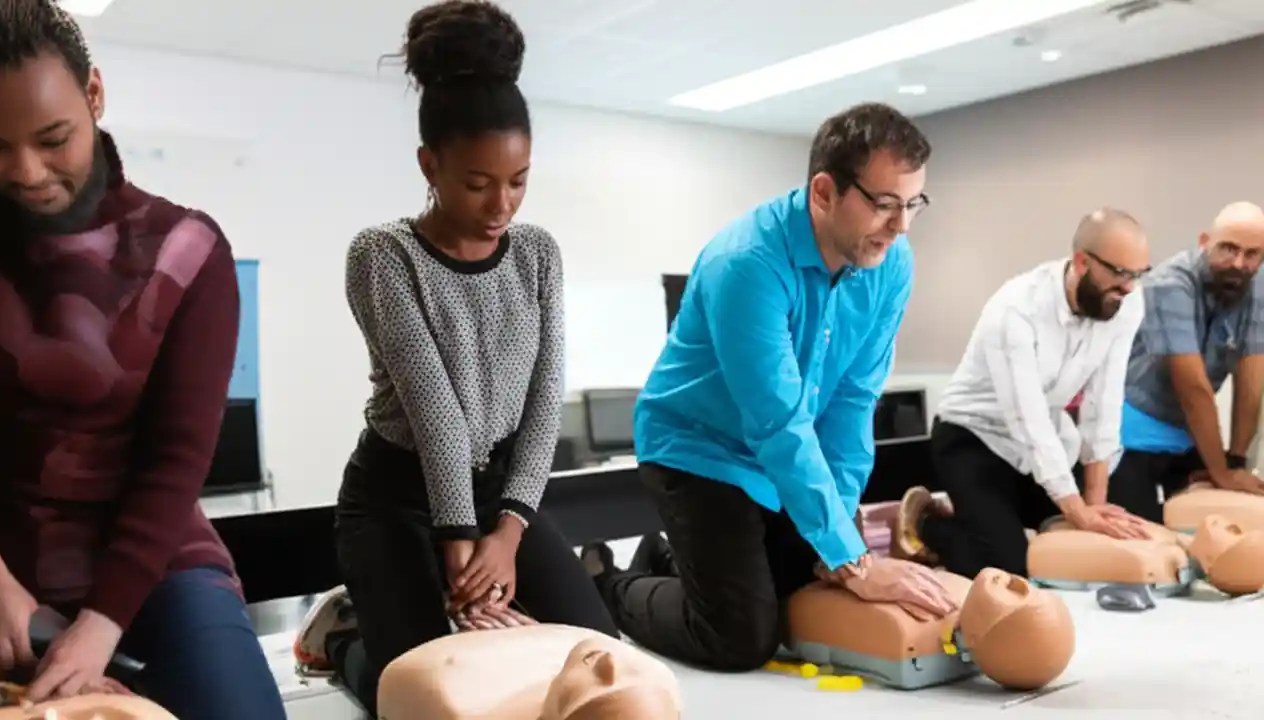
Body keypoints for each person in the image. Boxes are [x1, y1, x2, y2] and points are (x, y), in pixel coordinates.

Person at [296, 0, 616, 712]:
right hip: (394, 497)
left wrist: (506, 533)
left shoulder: (536, 253)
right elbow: (435, 411)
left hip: (498, 493)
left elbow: (544, 396)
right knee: (418, 690)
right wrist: (458, 542)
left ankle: (434, 602)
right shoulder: (385, 255)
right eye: (477, 184)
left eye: (519, 179)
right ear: (429, 166)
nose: (501, 203)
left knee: (601, 658)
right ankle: (346, 638)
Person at [0, 2, 286, 718]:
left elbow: (174, 464)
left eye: (53, 138)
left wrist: (99, 626)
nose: (27, 172)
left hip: (150, 562)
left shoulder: (186, 252)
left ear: (94, 94)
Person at [578, 102, 956, 674]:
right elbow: (778, 422)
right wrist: (855, 562)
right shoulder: (748, 263)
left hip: (778, 452)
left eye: (912, 205)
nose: (900, 227)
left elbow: (853, 401)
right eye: (883, 204)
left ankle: (671, 556)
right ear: (825, 191)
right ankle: (608, 584)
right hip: (699, 450)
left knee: (802, 582)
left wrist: (843, 535)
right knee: (740, 635)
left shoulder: (891, 262)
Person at [896, 209, 1153, 579]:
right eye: (1120, 274)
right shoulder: (1016, 309)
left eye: (1138, 274)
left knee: (1090, 525)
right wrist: (1077, 510)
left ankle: (979, 511)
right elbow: (1025, 418)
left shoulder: (1126, 301)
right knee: (1009, 565)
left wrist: (1094, 506)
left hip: (1043, 436)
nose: (1129, 287)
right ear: (1082, 262)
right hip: (973, 436)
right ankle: (927, 523)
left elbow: (1104, 402)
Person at [1109, 202, 1264, 522]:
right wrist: (1220, 473)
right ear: (1205, 241)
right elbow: (1192, 388)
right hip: (1131, 434)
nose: (1239, 263)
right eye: (1229, 248)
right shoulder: (1169, 284)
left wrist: (1234, 461)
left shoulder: (1256, 282)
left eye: (1252, 254)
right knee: (1144, 535)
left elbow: (1251, 375)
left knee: (1214, 528)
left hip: (1186, 435)